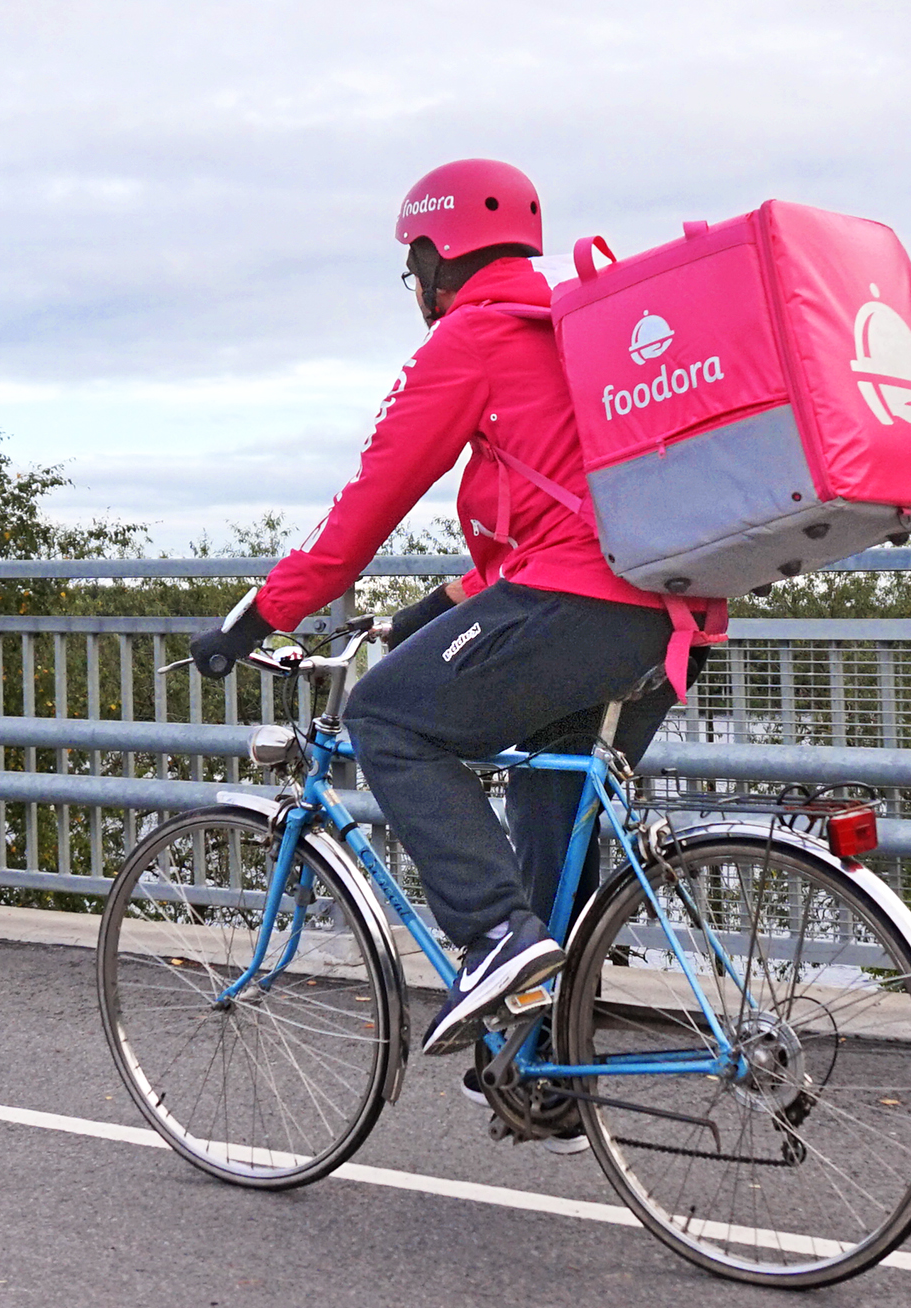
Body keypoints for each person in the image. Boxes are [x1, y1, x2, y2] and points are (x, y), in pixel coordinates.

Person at [190, 158, 711, 1066]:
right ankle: (543, 1064)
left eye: (413, 268)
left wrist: (256, 617)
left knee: (387, 715)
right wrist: (422, 614)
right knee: (550, 818)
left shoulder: (473, 339)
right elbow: (552, 517)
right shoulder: (566, 332)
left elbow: (364, 506)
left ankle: (492, 940)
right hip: (668, 615)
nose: (415, 288)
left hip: (578, 605)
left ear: (439, 255)